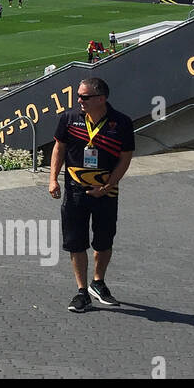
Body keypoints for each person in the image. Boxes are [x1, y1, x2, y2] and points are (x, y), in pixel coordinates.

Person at [49, 77, 135, 312]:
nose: (79, 100)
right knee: (76, 242)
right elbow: (59, 148)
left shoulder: (122, 122)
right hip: (75, 191)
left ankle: (98, 282)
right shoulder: (69, 118)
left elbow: (125, 158)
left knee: (104, 241)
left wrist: (107, 187)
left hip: (106, 192)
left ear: (101, 98)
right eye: (78, 96)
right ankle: (81, 292)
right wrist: (53, 179)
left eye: (84, 97)